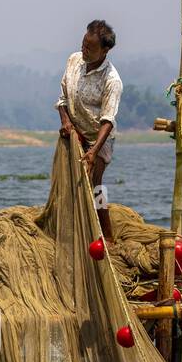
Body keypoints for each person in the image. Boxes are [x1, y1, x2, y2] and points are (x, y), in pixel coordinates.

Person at [56, 19, 123, 240]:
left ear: (105, 50)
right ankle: (74, 230)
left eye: (90, 48)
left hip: (100, 138)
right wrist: (66, 121)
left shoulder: (112, 80)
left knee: (95, 183)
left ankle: (107, 235)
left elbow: (108, 120)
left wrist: (94, 151)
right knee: (72, 180)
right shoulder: (74, 60)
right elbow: (63, 98)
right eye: (83, 44)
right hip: (75, 130)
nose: (84, 50)